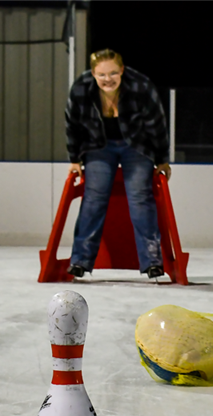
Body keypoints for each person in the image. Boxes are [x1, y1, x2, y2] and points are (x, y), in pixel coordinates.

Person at [65, 49, 172, 280]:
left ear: (122, 70)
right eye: (102, 74)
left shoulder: (141, 87)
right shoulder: (81, 89)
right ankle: (80, 261)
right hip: (98, 147)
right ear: (93, 73)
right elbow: (72, 124)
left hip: (137, 146)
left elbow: (157, 124)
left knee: (140, 198)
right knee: (94, 198)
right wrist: (74, 158)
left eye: (113, 73)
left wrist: (162, 158)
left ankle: (153, 262)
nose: (108, 79)